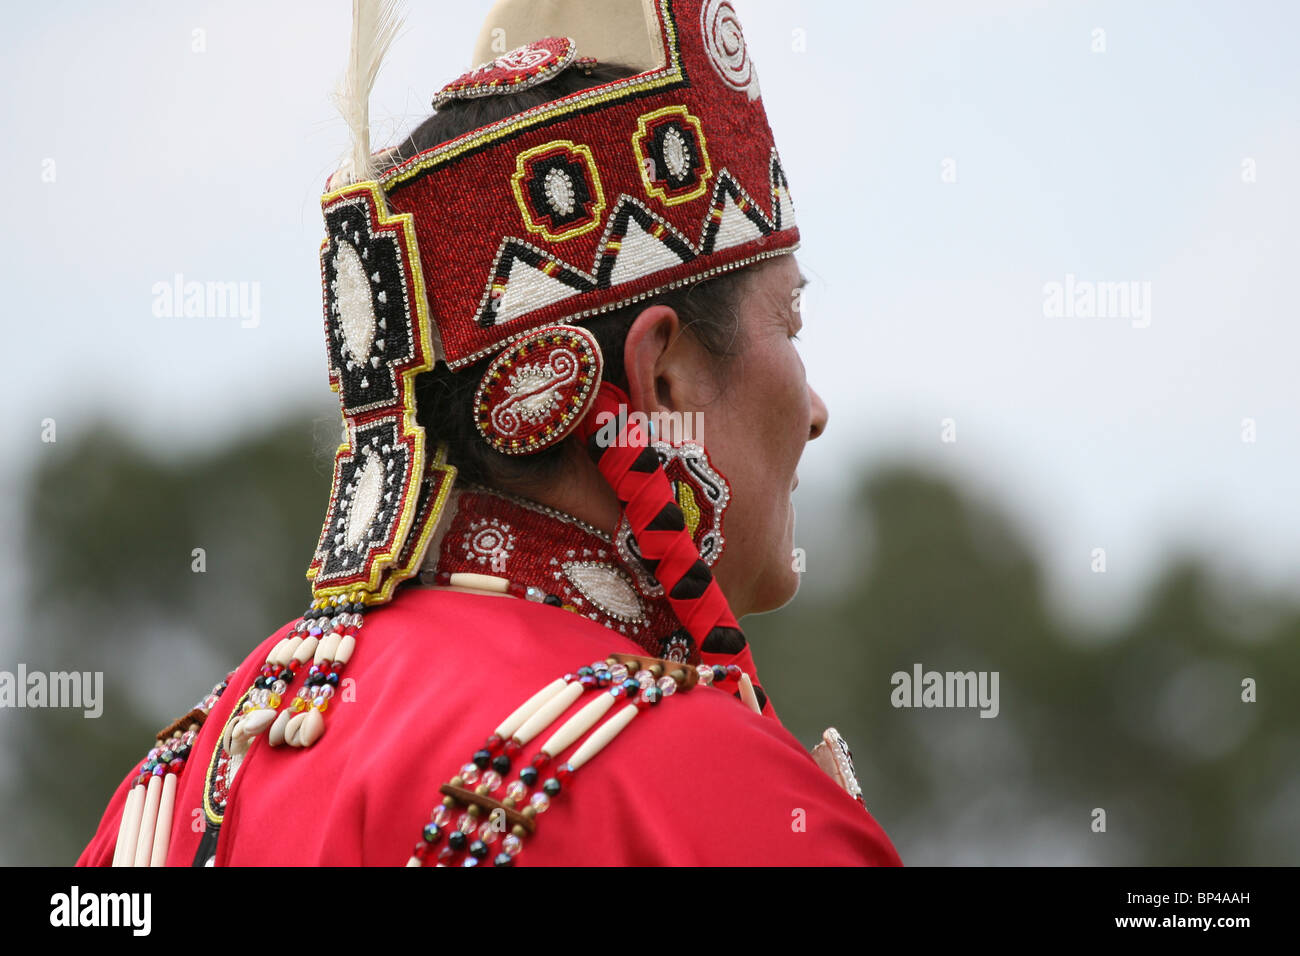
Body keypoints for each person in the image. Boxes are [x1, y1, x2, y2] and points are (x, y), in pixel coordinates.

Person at [76, 0, 902, 867]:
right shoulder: (719, 802)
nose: (815, 410)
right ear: (664, 377)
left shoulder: (189, 778)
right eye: (792, 326)